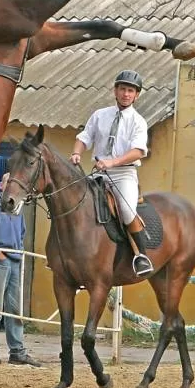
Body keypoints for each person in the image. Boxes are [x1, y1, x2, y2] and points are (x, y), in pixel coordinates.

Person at [70, 69, 154, 276]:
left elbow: (138, 152)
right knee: (74, 201)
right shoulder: (99, 115)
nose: (126, 94)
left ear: (137, 95)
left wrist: (112, 162)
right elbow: (84, 137)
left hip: (123, 174)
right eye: (123, 89)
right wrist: (76, 153)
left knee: (126, 210)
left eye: (131, 91)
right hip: (98, 172)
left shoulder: (138, 121)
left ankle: (140, 255)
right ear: (115, 91)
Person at [0, 173, 41, 367]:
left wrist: (19, 252)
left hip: (15, 260)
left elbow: (22, 233)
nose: (12, 187)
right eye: (8, 183)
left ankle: (17, 350)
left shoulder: (18, 208)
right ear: (1, 185)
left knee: (15, 309)